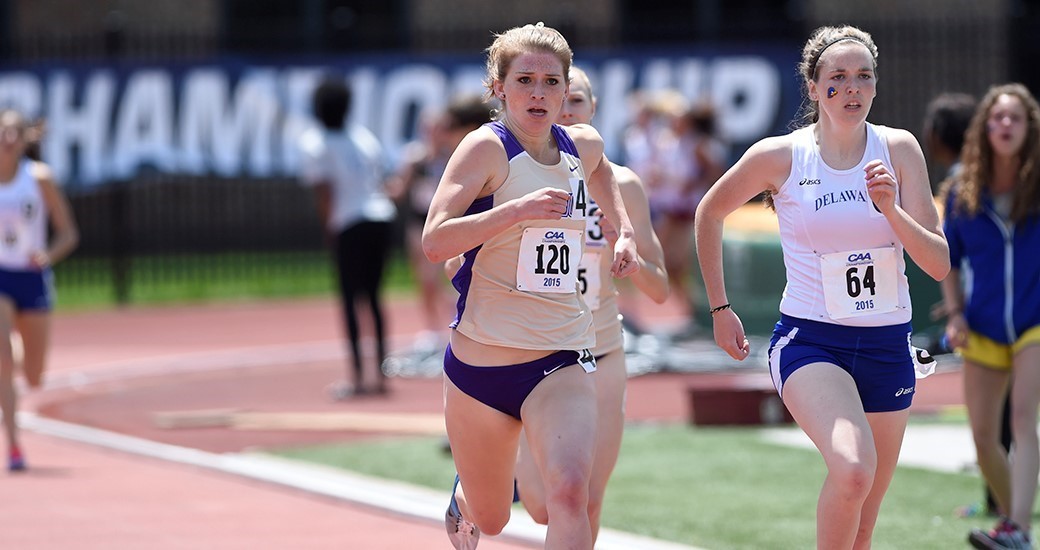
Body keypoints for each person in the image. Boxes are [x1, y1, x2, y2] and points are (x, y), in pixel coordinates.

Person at [694, 25, 950, 549]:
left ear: (875, 86)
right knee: (854, 470)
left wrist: (890, 209)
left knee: (865, 518)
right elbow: (709, 212)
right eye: (838, 77)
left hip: (886, 345)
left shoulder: (898, 149)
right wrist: (721, 307)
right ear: (813, 88)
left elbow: (939, 264)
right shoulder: (782, 156)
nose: (851, 88)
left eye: (863, 77)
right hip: (811, 342)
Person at [422, 22, 639, 549]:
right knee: (494, 518)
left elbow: (603, 172)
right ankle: (466, 502)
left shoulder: (580, 145)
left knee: (568, 495)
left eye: (550, 82)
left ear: (567, 90)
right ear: (498, 87)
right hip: (481, 368)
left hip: (560, 356)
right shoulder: (484, 150)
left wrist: (625, 233)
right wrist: (512, 211)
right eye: (524, 80)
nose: (538, 93)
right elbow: (434, 240)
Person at [512, 66, 669, 545]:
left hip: (600, 355)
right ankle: (479, 489)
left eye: (575, 100)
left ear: (594, 111)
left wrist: (630, 258)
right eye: (558, 99)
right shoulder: (516, 177)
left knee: (584, 499)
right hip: (533, 355)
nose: (565, 109)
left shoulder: (625, 186)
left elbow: (661, 288)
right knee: (540, 506)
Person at [939, 83, 1040, 550]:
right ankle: (1015, 523)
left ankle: (1017, 528)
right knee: (982, 438)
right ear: (984, 128)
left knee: (1022, 419)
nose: (1005, 125)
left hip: (1034, 322)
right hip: (980, 325)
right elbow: (947, 262)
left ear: (1029, 128)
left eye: (1015, 118)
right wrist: (955, 313)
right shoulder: (962, 192)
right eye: (997, 117)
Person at [298, 77, 396, 399]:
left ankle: (356, 377)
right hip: (380, 217)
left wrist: (330, 230)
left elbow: (325, 193)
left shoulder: (316, 142)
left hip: (349, 223)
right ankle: (381, 375)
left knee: (350, 300)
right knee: (374, 297)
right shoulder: (363, 137)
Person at [0, 109, 80, 471]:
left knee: (33, 375)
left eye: (14, 132)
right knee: (2, 361)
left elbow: (68, 233)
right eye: (2, 132)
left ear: (24, 138)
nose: (7, 139)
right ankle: (14, 445)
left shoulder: (39, 178)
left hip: (31, 279)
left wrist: (47, 255)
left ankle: (16, 353)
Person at [388, 96, 491, 355]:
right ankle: (432, 328)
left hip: (449, 221)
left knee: (450, 272)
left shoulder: (454, 156)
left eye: (439, 129)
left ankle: (456, 320)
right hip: (419, 222)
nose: (434, 134)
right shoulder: (416, 157)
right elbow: (401, 188)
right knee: (425, 279)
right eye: (429, 129)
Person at [651, 99, 727, 337]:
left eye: (678, 119)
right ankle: (688, 307)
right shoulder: (672, 144)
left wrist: (693, 184)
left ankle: (701, 311)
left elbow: (717, 171)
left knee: (684, 263)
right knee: (662, 260)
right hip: (672, 210)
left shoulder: (698, 145)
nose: (673, 123)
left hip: (690, 213)